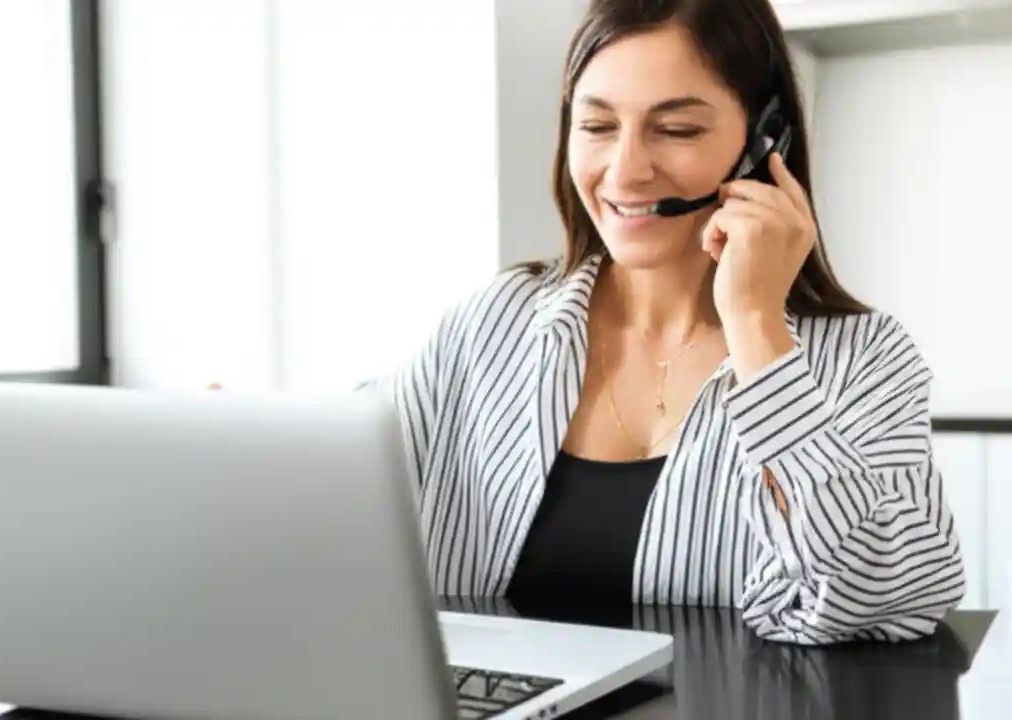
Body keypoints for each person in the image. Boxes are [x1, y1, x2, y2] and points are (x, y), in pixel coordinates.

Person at [373, 0, 965, 645]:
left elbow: (889, 599)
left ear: (765, 142)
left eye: (676, 130)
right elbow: (338, 489)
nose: (625, 172)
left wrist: (758, 330)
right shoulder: (491, 325)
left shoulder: (865, 360)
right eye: (597, 126)